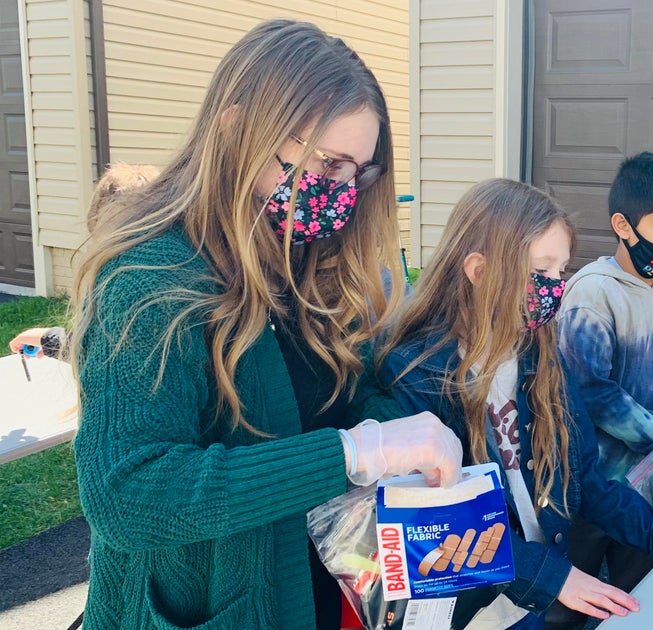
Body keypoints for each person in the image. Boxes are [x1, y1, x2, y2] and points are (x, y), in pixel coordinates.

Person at [68, 20, 463, 629]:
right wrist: (357, 452)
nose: (342, 192)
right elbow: (128, 495)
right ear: (236, 129)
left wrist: (392, 429)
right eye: (326, 164)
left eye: (356, 172)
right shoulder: (148, 281)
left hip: (316, 588)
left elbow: (335, 400)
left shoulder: (298, 262)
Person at [379, 178, 653, 629]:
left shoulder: (540, 356)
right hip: (466, 605)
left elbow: (581, 477)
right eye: (540, 272)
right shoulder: (415, 375)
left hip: (530, 598)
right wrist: (555, 578)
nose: (554, 289)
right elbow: (433, 521)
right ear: (479, 271)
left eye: (560, 273)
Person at [549, 151, 653, 627]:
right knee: (569, 599)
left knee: (642, 591)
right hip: (592, 483)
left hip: (651, 484)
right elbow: (591, 390)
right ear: (623, 224)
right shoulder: (593, 294)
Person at [7, 163, 160, 358]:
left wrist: (47, 338)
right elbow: (102, 343)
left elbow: (101, 355)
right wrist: (47, 339)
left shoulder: (128, 284)